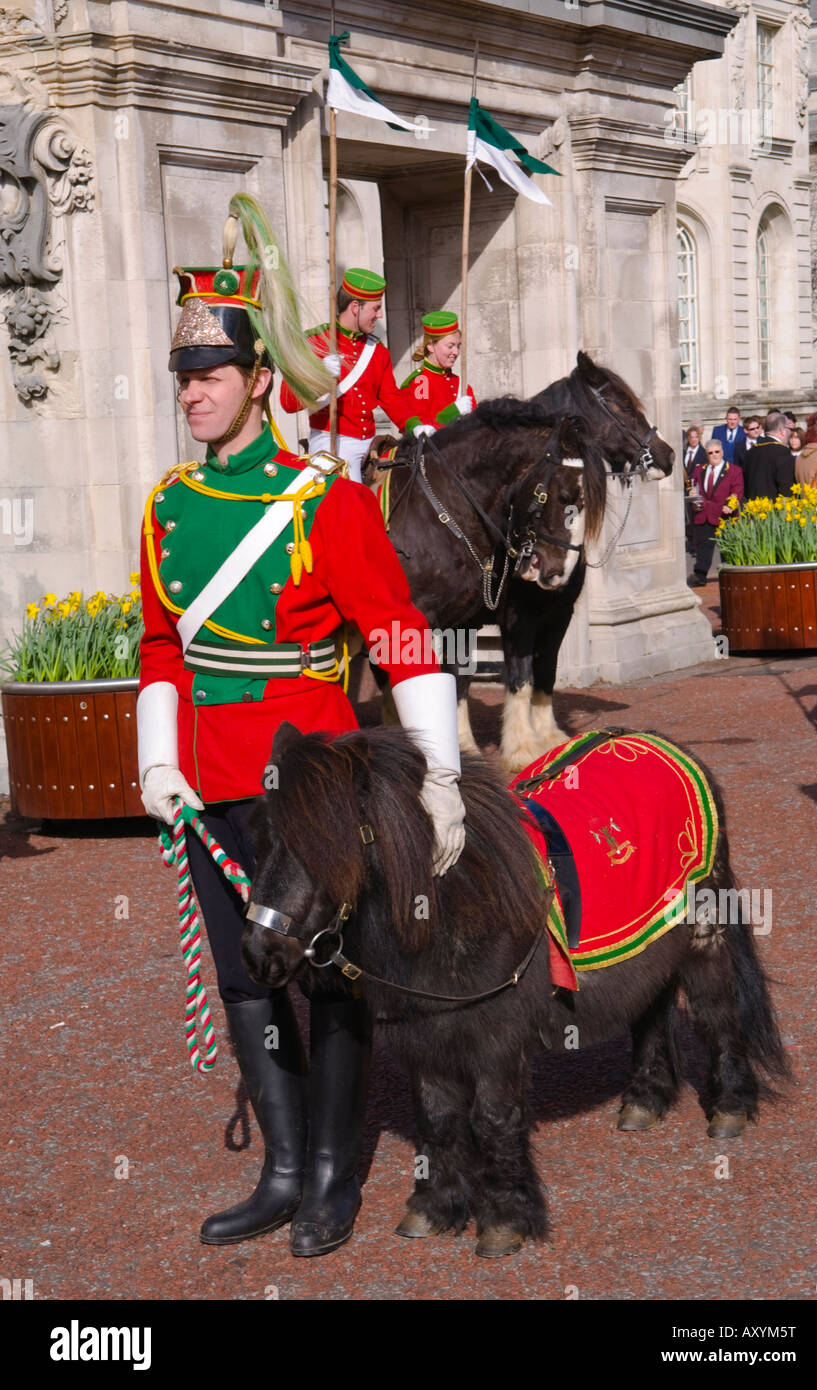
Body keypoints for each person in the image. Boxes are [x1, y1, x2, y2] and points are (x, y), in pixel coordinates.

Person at [136, 194, 465, 1258]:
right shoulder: (163, 508)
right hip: (205, 783)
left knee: (327, 973)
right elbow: (158, 650)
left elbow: (400, 633)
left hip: (311, 780)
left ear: (260, 381)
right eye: (185, 375)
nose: (194, 392)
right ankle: (280, 1170)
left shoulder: (327, 503)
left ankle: (332, 1175)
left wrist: (442, 773)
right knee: (243, 975)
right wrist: (154, 757)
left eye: (214, 374)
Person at [277, 268, 416, 482]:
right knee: (349, 498)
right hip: (331, 441)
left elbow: (391, 397)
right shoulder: (314, 344)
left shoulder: (377, 351)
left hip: (370, 441)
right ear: (355, 307)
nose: (380, 315)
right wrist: (320, 378)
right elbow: (287, 403)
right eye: (376, 308)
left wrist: (414, 426)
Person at [400, 311, 476, 436]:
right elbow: (421, 429)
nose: (456, 352)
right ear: (430, 347)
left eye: (458, 346)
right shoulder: (420, 381)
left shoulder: (461, 384)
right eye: (450, 346)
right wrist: (453, 412)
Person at [689, 439, 744, 586]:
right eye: (710, 453)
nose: (714, 455)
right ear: (706, 455)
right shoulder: (699, 470)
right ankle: (700, 576)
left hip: (724, 515)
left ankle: (729, 576)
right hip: (703, 514)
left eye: (717, 452)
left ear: (722, 452)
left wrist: (730, 505)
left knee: (727, 548)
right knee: (703, 548)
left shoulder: (734, 470)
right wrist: (693, 493)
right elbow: (694, 488)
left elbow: (737, 490)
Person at [742, 411, 795, 502]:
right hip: (774, 511)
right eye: (789, 429)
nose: (790, 432)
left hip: (752, 509)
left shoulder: (751, 451)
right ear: (782, 431)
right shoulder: (783, 452)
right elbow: (786, 487)